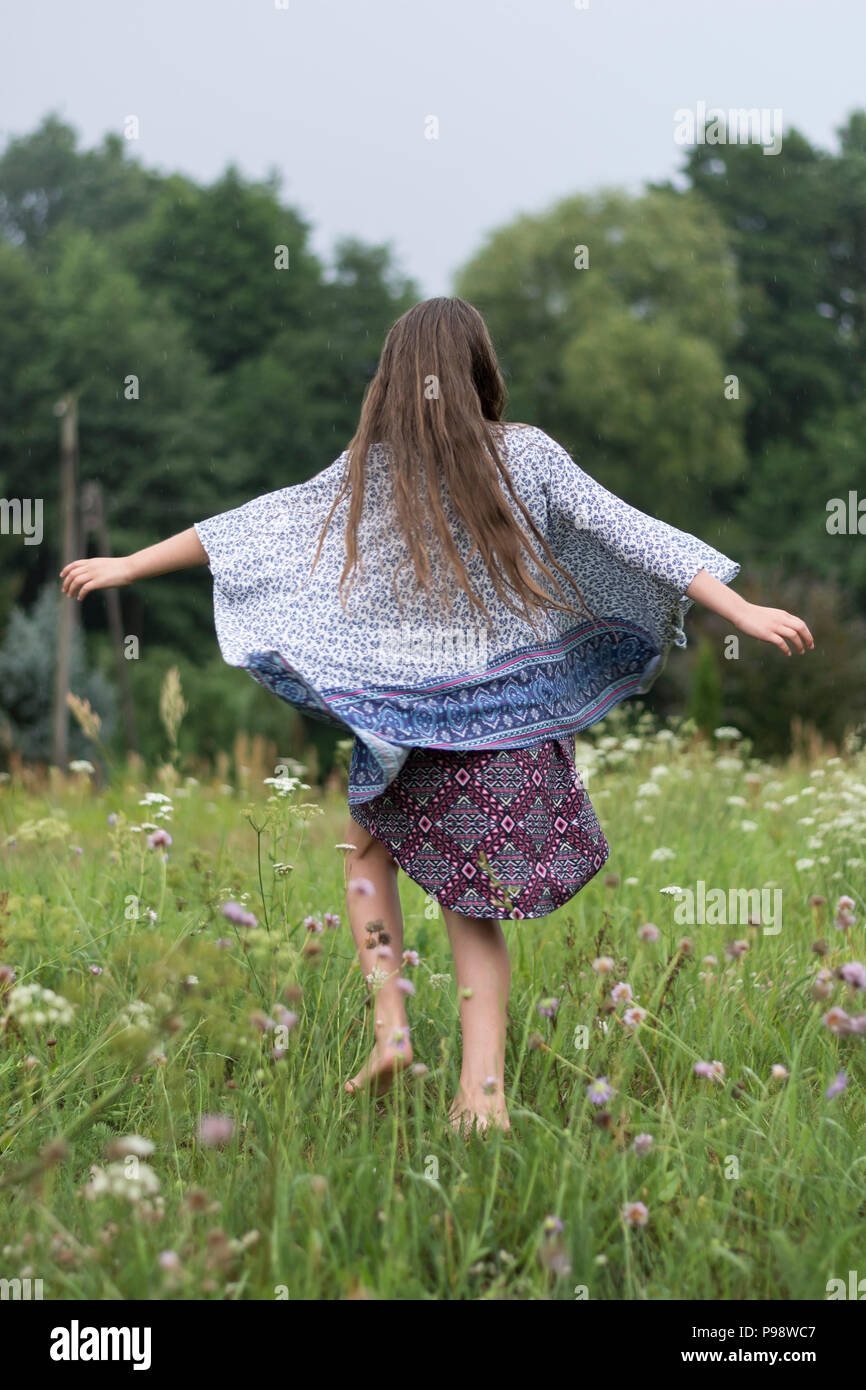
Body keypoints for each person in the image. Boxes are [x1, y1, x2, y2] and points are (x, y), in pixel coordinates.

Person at [60, 296, 814, 1134]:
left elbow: (253, 527)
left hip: (402, 718)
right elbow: (631, 532)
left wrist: (130, 563)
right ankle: (481, 1096)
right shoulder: (525, 454)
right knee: (473, 908)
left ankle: (393, 1029)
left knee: (364, 858)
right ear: (480, 369)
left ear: (391, 379)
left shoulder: (371, 469)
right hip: (504, 719)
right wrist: (740, 608)